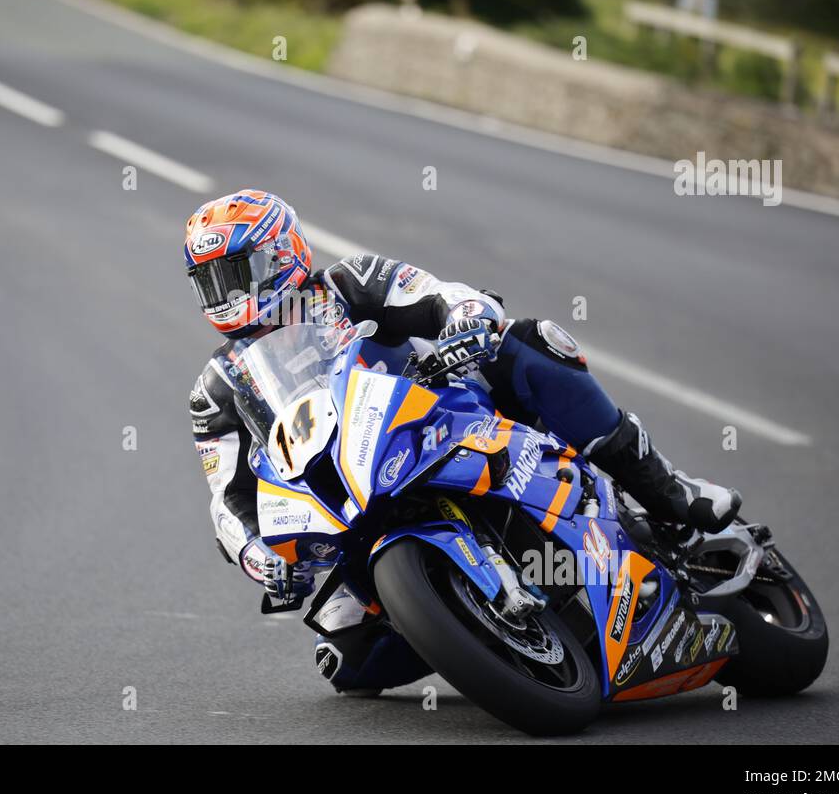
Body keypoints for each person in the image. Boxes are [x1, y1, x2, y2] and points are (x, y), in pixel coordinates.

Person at [186, 190, 740, 692]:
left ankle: (666, 487)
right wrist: (259, 556)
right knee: (344, 662)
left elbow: (436, 294)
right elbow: (227, 500)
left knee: (529, 343)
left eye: (235, 273)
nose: (224, 294)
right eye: (209, 281)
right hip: (347, 500)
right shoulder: (215, 390)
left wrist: (467, 318)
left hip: (439, 419)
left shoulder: (348, 283)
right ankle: (479, 631)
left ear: (280, 255)